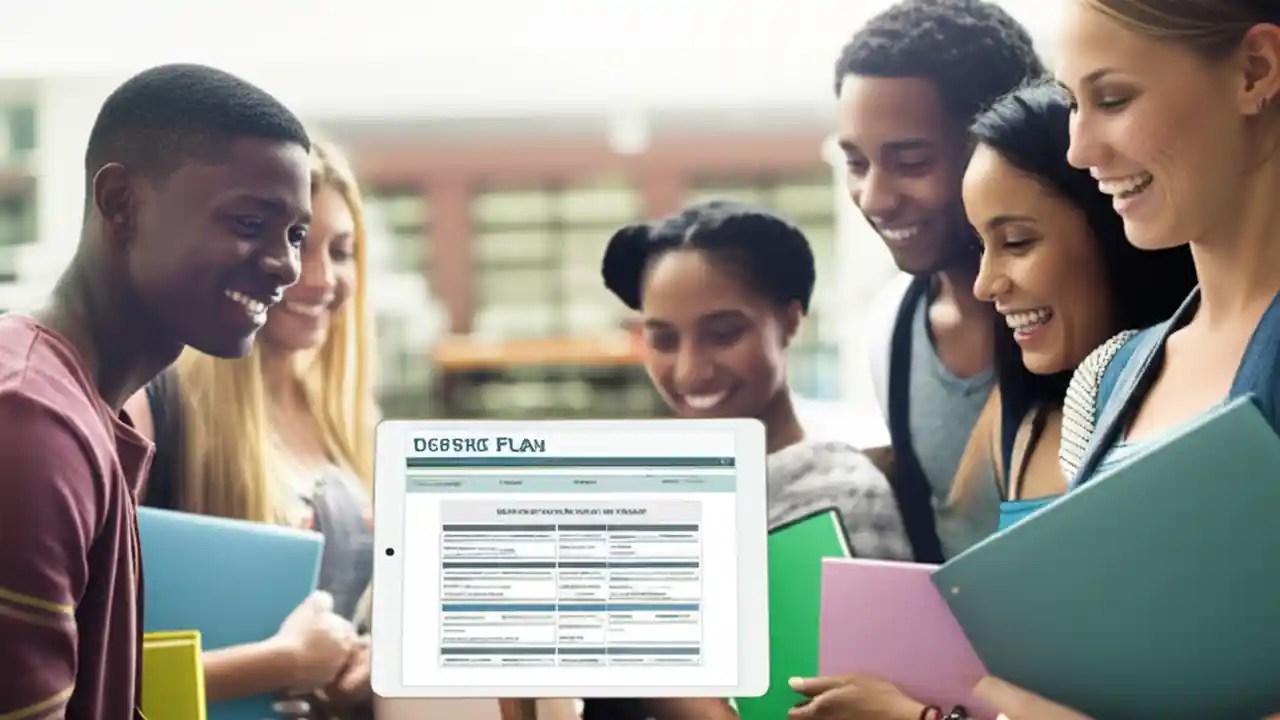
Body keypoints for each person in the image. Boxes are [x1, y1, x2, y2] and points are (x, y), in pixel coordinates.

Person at [785, 76, 1196, 720]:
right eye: (980, 245)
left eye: (1019, 241)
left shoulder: (1187, 421)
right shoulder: (1020, 421)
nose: (984, 284)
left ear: (1112, 227)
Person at [973, 0, 1280, 717]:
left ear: (1255, 70)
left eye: (1113, 99)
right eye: (1074, 104)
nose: (1080, 148)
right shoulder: (1111, 377)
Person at [0, 63, 311, 719]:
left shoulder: (77, 410)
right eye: (251, 222)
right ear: (121, 202)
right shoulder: (29, 422)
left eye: (295, 235)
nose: (288, 265)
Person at [588, 200, 913, 720]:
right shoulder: (635, 494)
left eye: (723, 335)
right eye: (663, 339)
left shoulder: (843, 495)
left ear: (789, 321)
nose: (692, 370)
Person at [125, 140, 376, 717]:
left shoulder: (344, 419)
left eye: (341, 251)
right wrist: (282, 663)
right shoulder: (155, 411)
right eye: (295, 244)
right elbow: (88, 670)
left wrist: (367, 662)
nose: (316, 278)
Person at [834, 0, 1047, 562]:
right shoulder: (891, 331)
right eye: (856, 164)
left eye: (911, 162)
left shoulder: (1096, 318)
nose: (874, 198)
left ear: (996, 147)